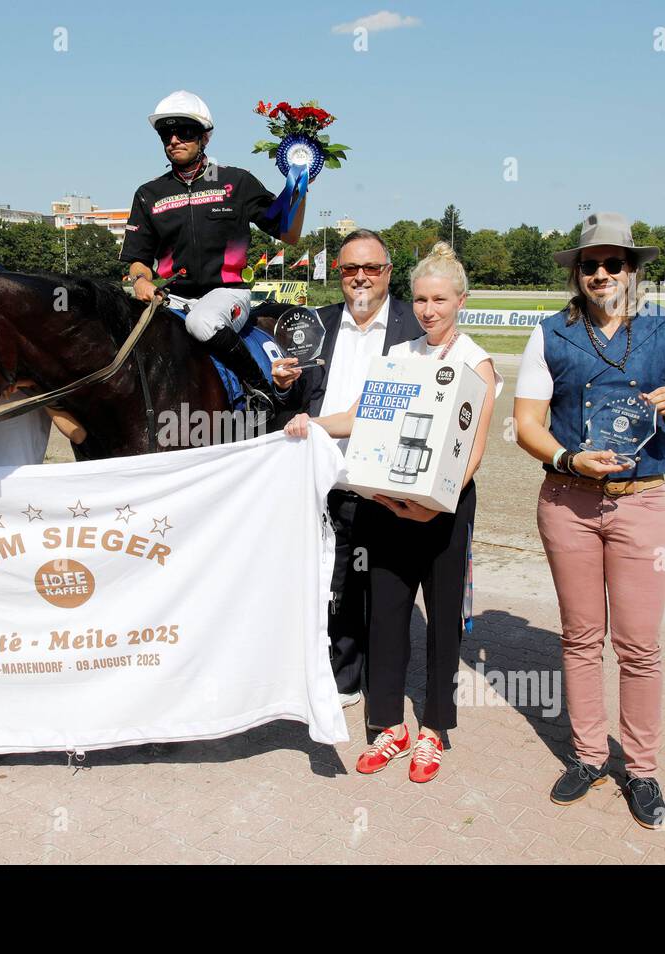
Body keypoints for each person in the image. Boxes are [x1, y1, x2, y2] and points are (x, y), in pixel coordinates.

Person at [512, 211, 665, 829]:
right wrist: (567, 455)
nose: (602, 274)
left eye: (614, 263)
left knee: (639, 645)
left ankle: (644, 770)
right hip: (568, 500)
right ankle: (588, 755)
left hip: (642, 499)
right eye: (590, 265)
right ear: (577, 273)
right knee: (579, 637)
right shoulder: (549, 333)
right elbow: (527, 423)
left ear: (633, 270)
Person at [285, 243, 500, 782]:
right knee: (386, 615)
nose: (429, 310)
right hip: (387, 502)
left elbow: (472, 447)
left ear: (460, 301)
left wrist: (438, 502)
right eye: (422, 299)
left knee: (443, 619)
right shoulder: (400, 356)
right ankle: (387, 727)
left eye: (440, 300)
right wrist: (310, 424)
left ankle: (433, 729)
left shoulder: (476, 361)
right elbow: (363, 417)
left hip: (442, 510)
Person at [270, 229, 420, 709]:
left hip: (391, 481)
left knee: (388, 585)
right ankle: (344, 673)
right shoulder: (315, 324)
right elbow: (290, 408)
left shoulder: (415, 325)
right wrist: (282, 385)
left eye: (371, 268)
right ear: (339, 274)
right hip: (327, 480)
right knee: (336, 581)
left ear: (388, 272)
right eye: (350, 269)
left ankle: (387, 680)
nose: (360, 277)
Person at [121, 90, 307, 413]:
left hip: (226, 296)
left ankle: (260, 389)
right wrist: (139, 280)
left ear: (205, 137)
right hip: (172, 300)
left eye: (185, 131)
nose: (175, 139)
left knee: (201, 323)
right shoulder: (148, 194)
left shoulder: (237, 182)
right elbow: (138, 260)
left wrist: (302, 180)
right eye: (167, 132)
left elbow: (288, 232)